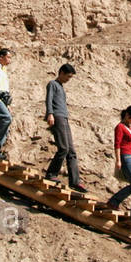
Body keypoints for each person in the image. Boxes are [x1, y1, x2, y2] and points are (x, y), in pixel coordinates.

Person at [44, 63, 85, 191]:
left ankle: (74, 182)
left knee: (71, 150)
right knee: (63, 148)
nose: (68, 79)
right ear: (61, 72)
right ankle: (51, 174)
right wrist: (50, 114)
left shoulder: (61, 87)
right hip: (57, 117)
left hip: (64, 118)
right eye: (67, 76)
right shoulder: (53, 84)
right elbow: (48, 100)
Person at [108, 105, 131, 221]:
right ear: (128, 115)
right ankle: (114, 201)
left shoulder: (129, 127)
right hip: (126, 157)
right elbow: (117, 144)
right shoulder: (119, 127)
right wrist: (118, 160)